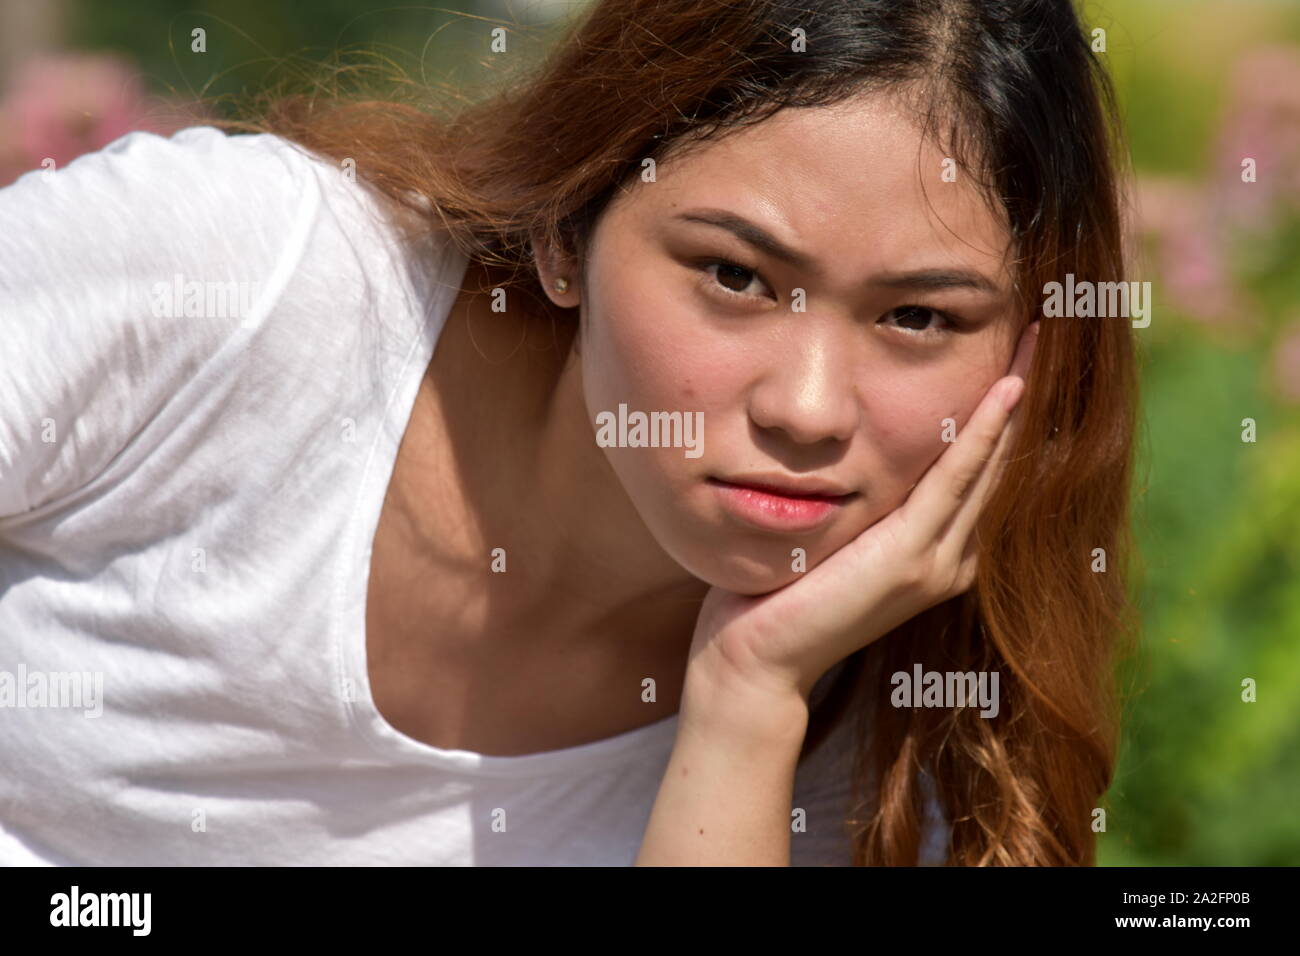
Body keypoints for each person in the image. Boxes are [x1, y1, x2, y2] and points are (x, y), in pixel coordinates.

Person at [0, 0, 1138, 866]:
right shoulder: (247, 279)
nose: (805, 407)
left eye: (916, 316)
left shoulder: (899, 750)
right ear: (564, 233)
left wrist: (744, 707)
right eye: (733, 275)